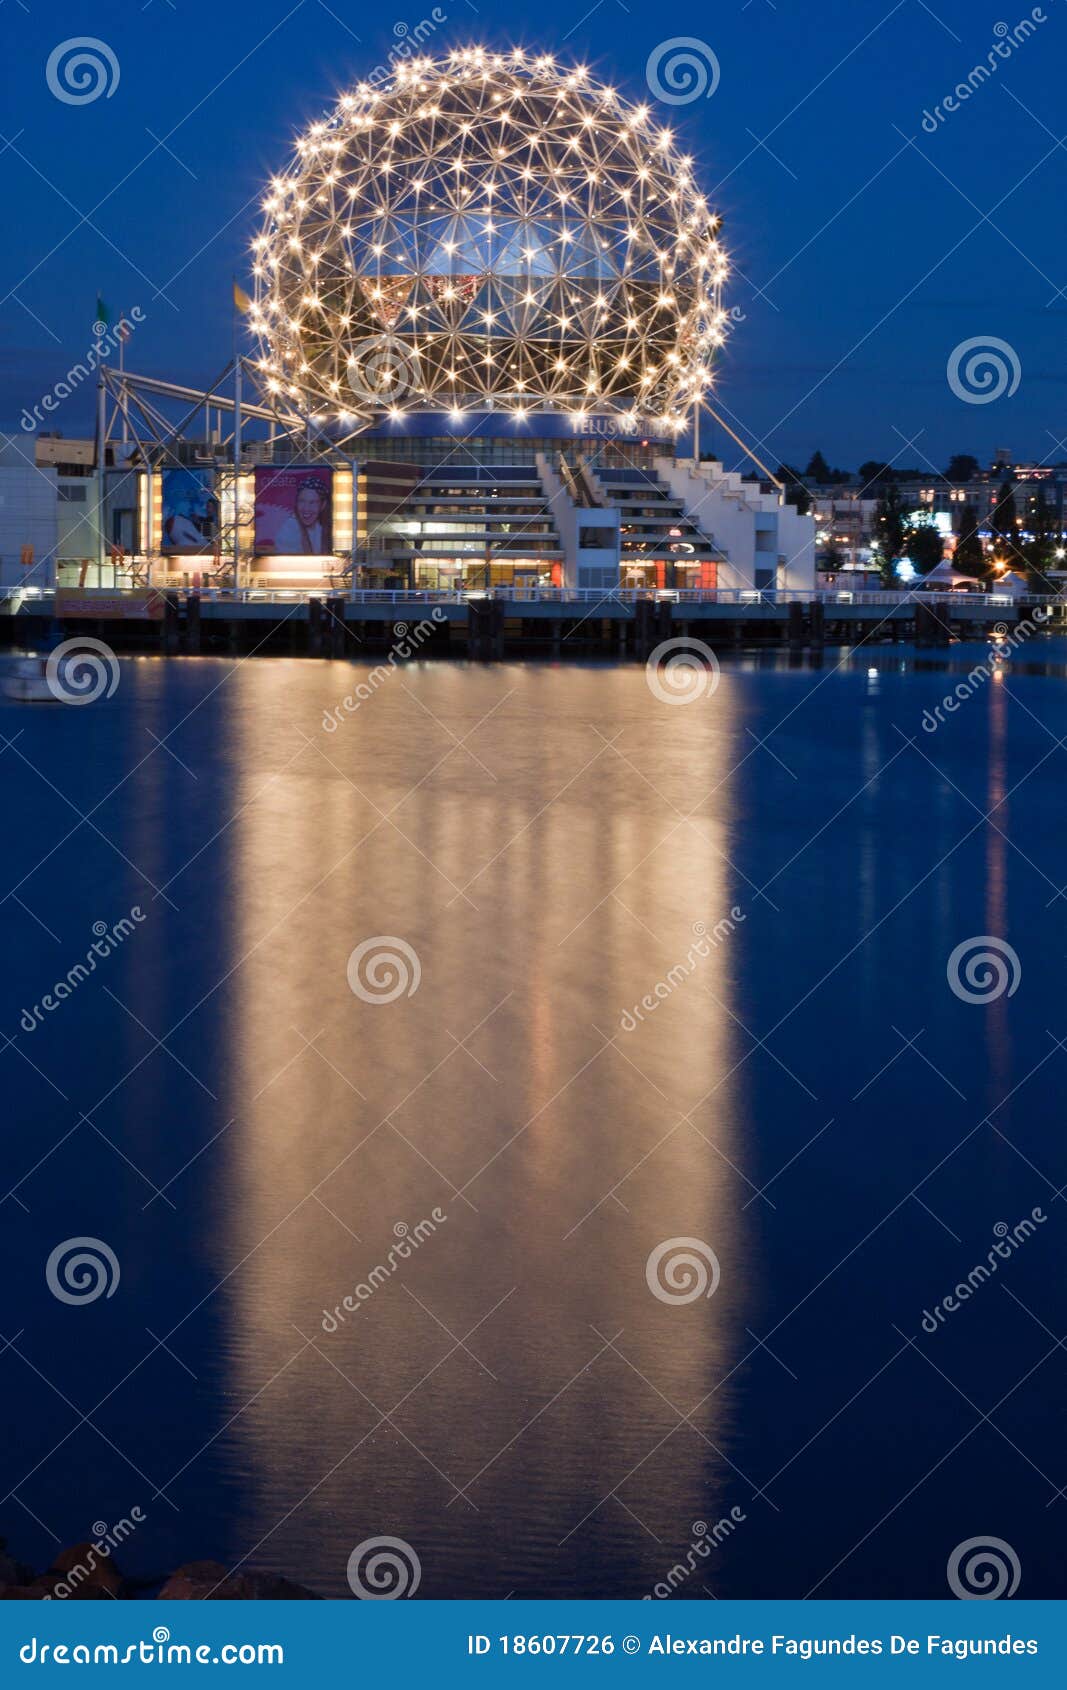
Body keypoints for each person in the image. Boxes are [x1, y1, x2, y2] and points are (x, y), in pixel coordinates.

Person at [272, 477, 329, 553]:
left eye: (312, 502)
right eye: (302, 501)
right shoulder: (289, 529)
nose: (306, 508)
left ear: (323, 505)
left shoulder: (325, 526)